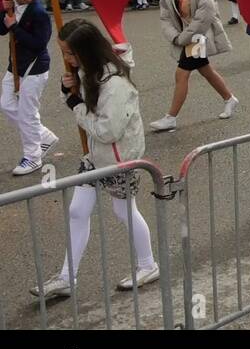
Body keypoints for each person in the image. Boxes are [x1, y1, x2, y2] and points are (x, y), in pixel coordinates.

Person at [30, 19, 158, 299]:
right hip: (95, 156)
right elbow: (91, 114)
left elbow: (107, 130)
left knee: (124, 211)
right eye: (63, 52)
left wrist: (75, 105)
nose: (66, 59)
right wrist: (70, 91)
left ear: (86, 50)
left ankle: (148, 265)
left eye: (70, 53)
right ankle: (67, 277)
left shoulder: (116, 84)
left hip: (118, 158)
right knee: (78, 211)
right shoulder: (89, 72)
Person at [151, 0, 237, 131]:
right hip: (185, 36)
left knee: (181, 73)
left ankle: (171, 117)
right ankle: (229, 98)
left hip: (198, 36)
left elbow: (205, 15)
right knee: (205, 70)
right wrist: (174, 36)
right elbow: (165, 14)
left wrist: (186, 37)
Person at [1, 0, 58, 176]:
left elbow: (38, 43)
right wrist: (3, 12)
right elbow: (2, 29)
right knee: (6, 104)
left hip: (35, 66)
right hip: (15, 65)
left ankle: (33, 157)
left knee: (27, 113)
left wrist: (15, 27)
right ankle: (43, 136)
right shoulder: (12, 5)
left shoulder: (39, 13)